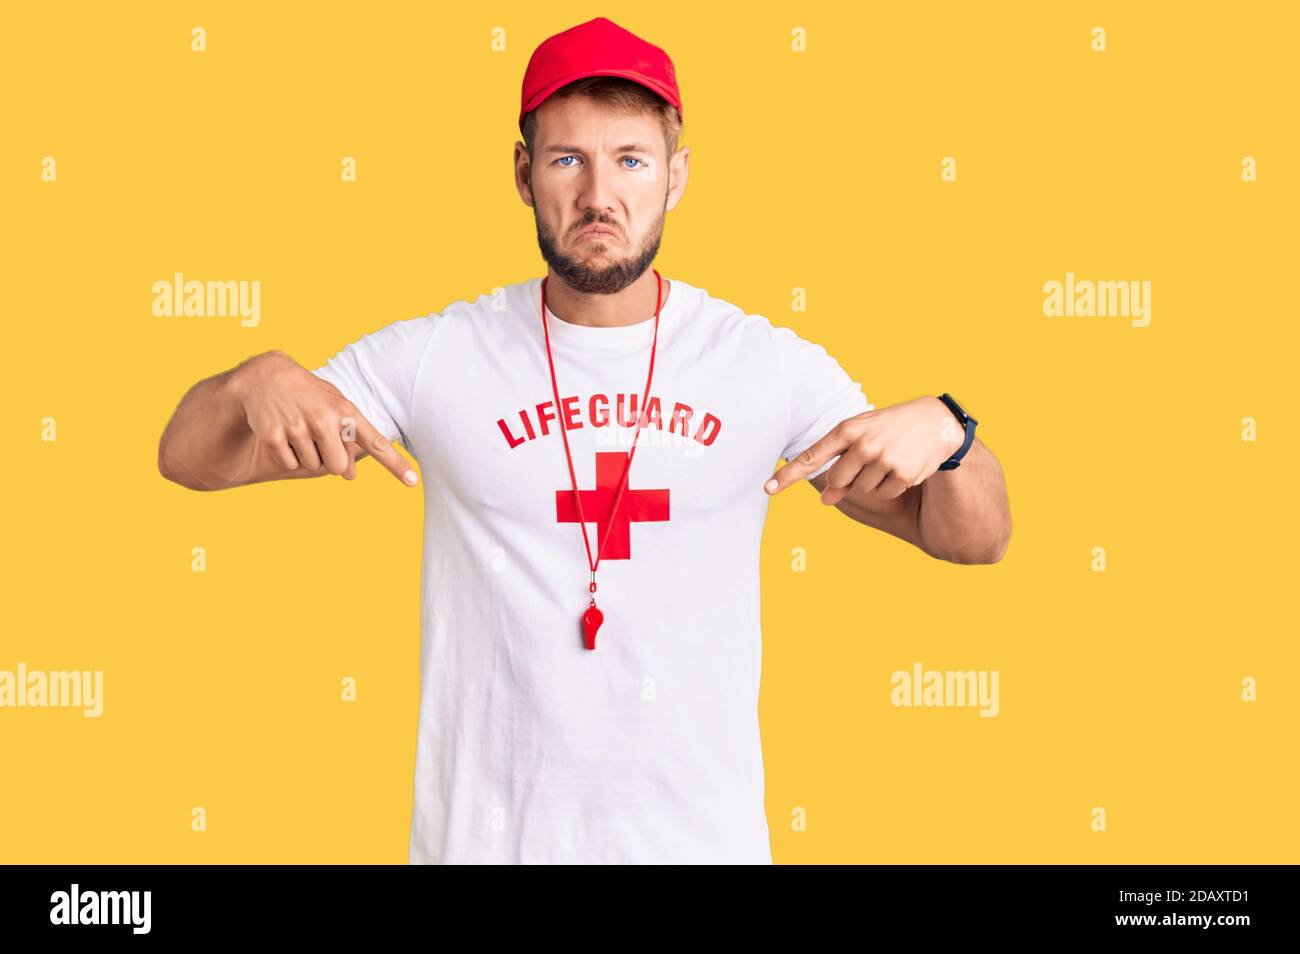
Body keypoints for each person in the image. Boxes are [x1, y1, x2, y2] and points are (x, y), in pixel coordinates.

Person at [156, 16, 1012, 864]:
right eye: (569, 160)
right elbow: (189, 459)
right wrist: (250, 380)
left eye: (631, 160)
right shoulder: (437, 356)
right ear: (524, 175)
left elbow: (970, 539)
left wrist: (952, 432)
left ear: (676, 177)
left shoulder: (763, 365)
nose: (599, 196)